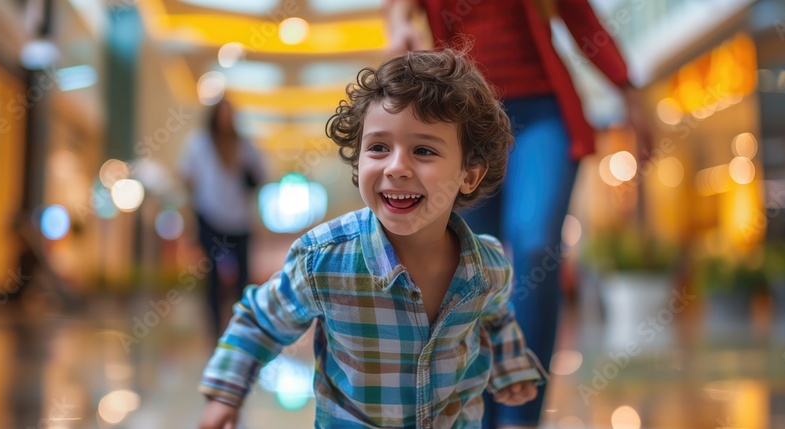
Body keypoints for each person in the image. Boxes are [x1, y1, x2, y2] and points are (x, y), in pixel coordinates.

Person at [198, 49, 547, 429]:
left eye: (424, 150)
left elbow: (496, 317)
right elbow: (260, 321)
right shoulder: (324, 260)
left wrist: (511, 366)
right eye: (379, 147)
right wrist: (224, 393)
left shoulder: (488, 267)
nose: (396, 167)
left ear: (469, 175)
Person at [385, 1, 653, 427]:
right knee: (468, 272)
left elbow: (580, 17)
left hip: (542, 113)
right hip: (462, 121)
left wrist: (628, 89)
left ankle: (520, 415)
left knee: (534, 246)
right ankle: (478, 412)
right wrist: (399, 25)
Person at [180, 99, 267, 339]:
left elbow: (261, 175)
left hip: (240, 218)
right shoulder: (198, 144)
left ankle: (242, 331)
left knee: (243, 278)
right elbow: (186, 178)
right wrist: (188, 216)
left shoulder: (245, 145)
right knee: (212, 279)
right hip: (209, 216)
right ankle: (213, 331)